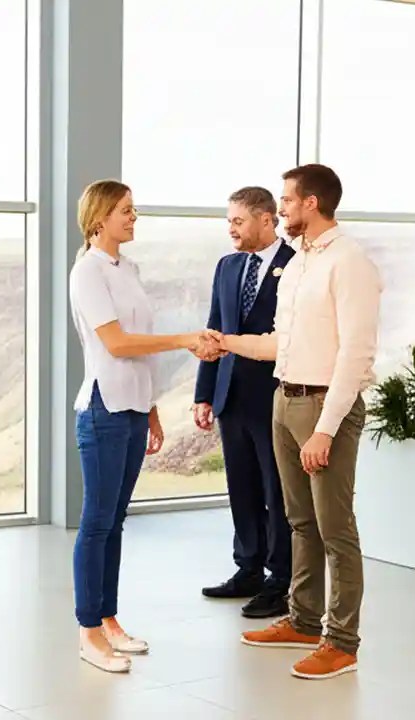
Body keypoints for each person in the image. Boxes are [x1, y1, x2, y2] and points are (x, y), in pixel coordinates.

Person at [206, 164, 381, 680]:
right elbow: (282, 341)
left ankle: (342, 642)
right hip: (285, 398)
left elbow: (355, 353)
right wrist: (226, 343)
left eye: (286, 199)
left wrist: (326, 428)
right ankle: (303, 621)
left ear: (312, 203)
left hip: (326, 405)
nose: (280, 207)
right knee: (298, 520)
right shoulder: (302, 260)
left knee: (335, 529)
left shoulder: (349, 262)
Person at [68, 179, 220, 673]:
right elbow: (116, 343)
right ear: (99, 220)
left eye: (134, 210)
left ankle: (109, 620)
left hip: (132, 409)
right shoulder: (88, 272)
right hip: (104, 410)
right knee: (96, 523)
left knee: (115, 521)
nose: (134, 218)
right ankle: (89, 632)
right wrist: (183, 340)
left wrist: (151, 407)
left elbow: (139, 346)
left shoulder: (126, 268)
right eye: (126, 211)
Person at [195, 187, 295, 619]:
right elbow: (215, 330)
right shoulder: (228, 266)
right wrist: (204, 393)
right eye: (229, 221)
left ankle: (281, 579)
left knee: (278, 492)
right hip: (230, 397)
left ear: (267, 219)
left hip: (275, 397)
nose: (231, 229)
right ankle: (248, 568)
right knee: (242, 489)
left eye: (238, 220)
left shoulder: (295, 265)